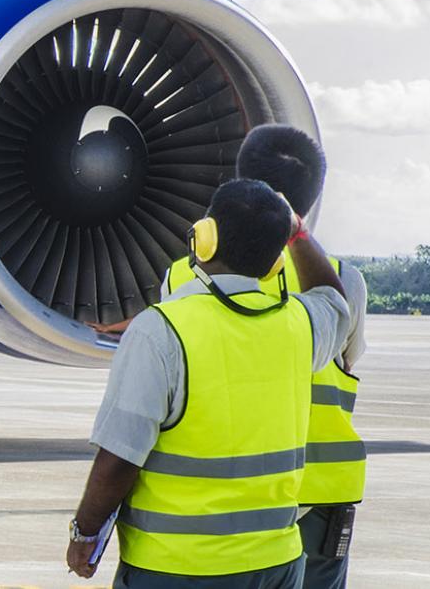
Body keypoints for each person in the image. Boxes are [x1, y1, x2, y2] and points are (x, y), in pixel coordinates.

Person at [96, 126, 371, 588]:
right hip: (321, 497)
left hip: (220, 510)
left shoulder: (183, 276)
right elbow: (346, 352)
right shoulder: (344, 283)